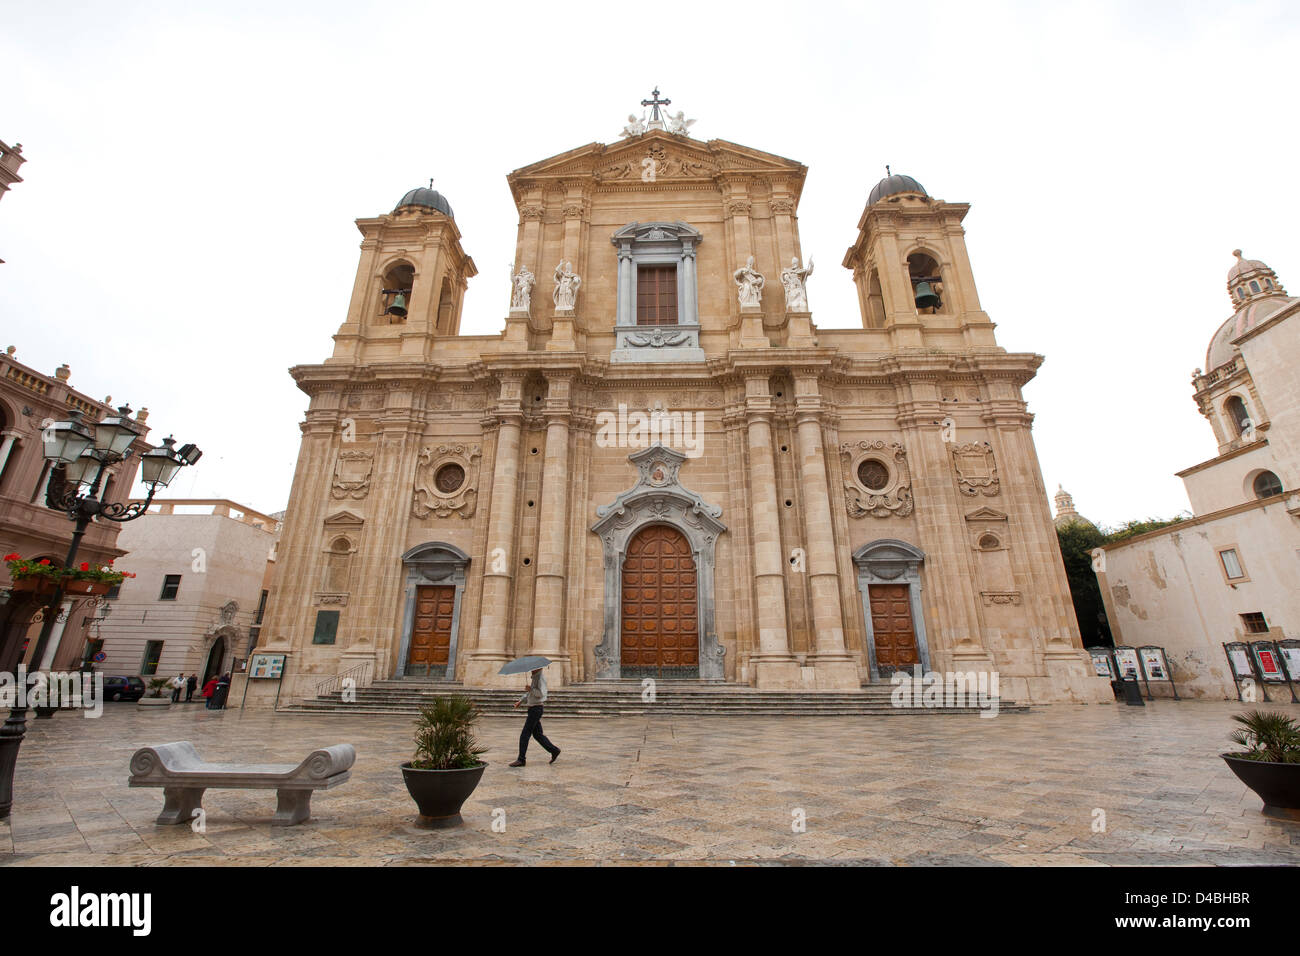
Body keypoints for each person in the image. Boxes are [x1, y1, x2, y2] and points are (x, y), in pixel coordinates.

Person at [509, 668, 559, 767]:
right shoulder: (535, 678)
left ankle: (521, 759)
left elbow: (541, 694)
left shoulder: (540, 678)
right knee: (537, 734)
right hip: (533, 709)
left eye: (533, 668)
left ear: (538, 668)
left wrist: (530, 689)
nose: (531, 670)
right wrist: (520, 701)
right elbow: (530, 693)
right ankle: (554, 750)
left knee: (525, 734)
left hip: (536, 709)